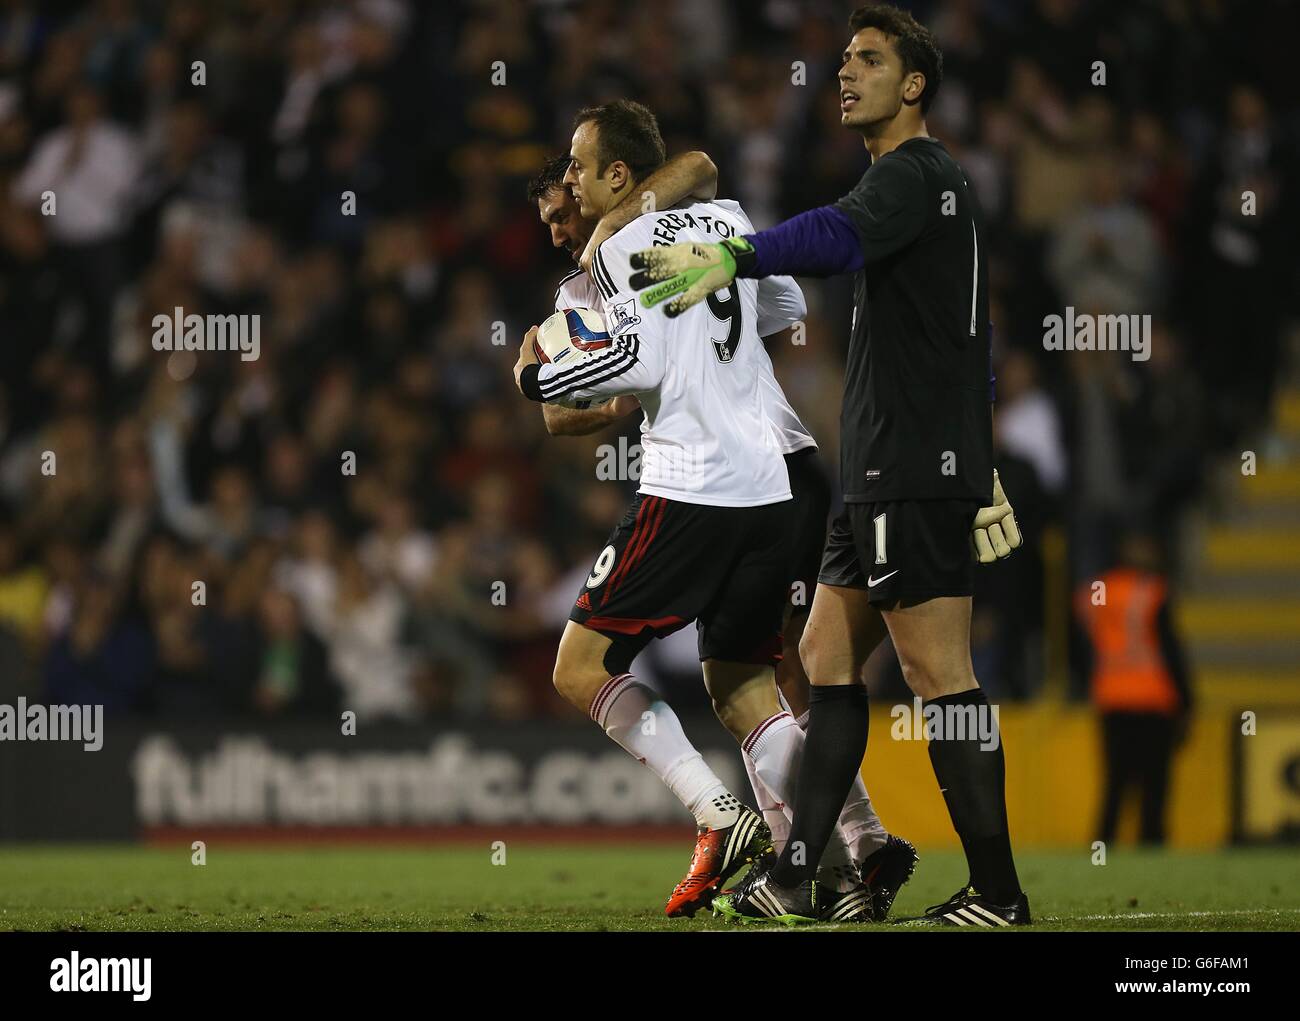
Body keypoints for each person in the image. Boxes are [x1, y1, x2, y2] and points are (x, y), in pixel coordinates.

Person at [629, 3, 1029, 926]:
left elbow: (831, 238)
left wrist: (734, 250)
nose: (845, 74)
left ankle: (1001, 894)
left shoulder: (916, 174)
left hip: (908, 471)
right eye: (843, 60)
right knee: (824, 657)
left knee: (940, 677)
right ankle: (800, 876)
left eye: (870, 61)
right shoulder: (928, 189)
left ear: (914, 84)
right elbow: (974, 332)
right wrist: (981, 450)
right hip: (885, 469)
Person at [515, 100, 910, 922]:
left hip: (696, 479)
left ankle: (718, 814)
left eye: (579, 177)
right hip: (783, 472)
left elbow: (624, 363)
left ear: (616, 177)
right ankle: (846, 863)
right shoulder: (724, 215)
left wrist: (533, 370)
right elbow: (786, 311)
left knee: (579, 666)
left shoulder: (618, 248)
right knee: (746, 678)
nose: (572, 202)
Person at [1077, 531, 1192, 845]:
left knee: (1115, 780)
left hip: (1111, 697)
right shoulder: (1152, 591)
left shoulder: (1094, 592)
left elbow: (1081, 648)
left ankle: (1104, 842)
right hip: (1153, 697)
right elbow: (1171, 650)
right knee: (1154, 782)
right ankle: (1151, 841)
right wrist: (1187, 701)